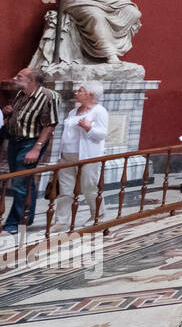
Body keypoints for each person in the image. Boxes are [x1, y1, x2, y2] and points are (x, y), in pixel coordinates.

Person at [2, 67, 59, 235]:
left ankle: (15, 222)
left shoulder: (49, 96)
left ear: (32, 80)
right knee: (23, 181)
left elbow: (50, 124)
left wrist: (36, 148)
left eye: (19, 76)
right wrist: (8, 113)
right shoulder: (21, 95)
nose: (14, 77)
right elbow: (20, 118)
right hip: (14, 142)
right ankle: (27, 216)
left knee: (19, 182)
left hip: (31, 143)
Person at [53, 80, 109, 228]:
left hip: (88, 156)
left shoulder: (99, 111)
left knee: (88, 187)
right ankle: (61, 220)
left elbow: (102, 134)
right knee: (65, 189)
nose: (76, 93)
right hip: (67, 155)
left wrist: (88, 128)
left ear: (90, 95)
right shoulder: (73, 111)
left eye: (80, 90)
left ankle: (98, 214)